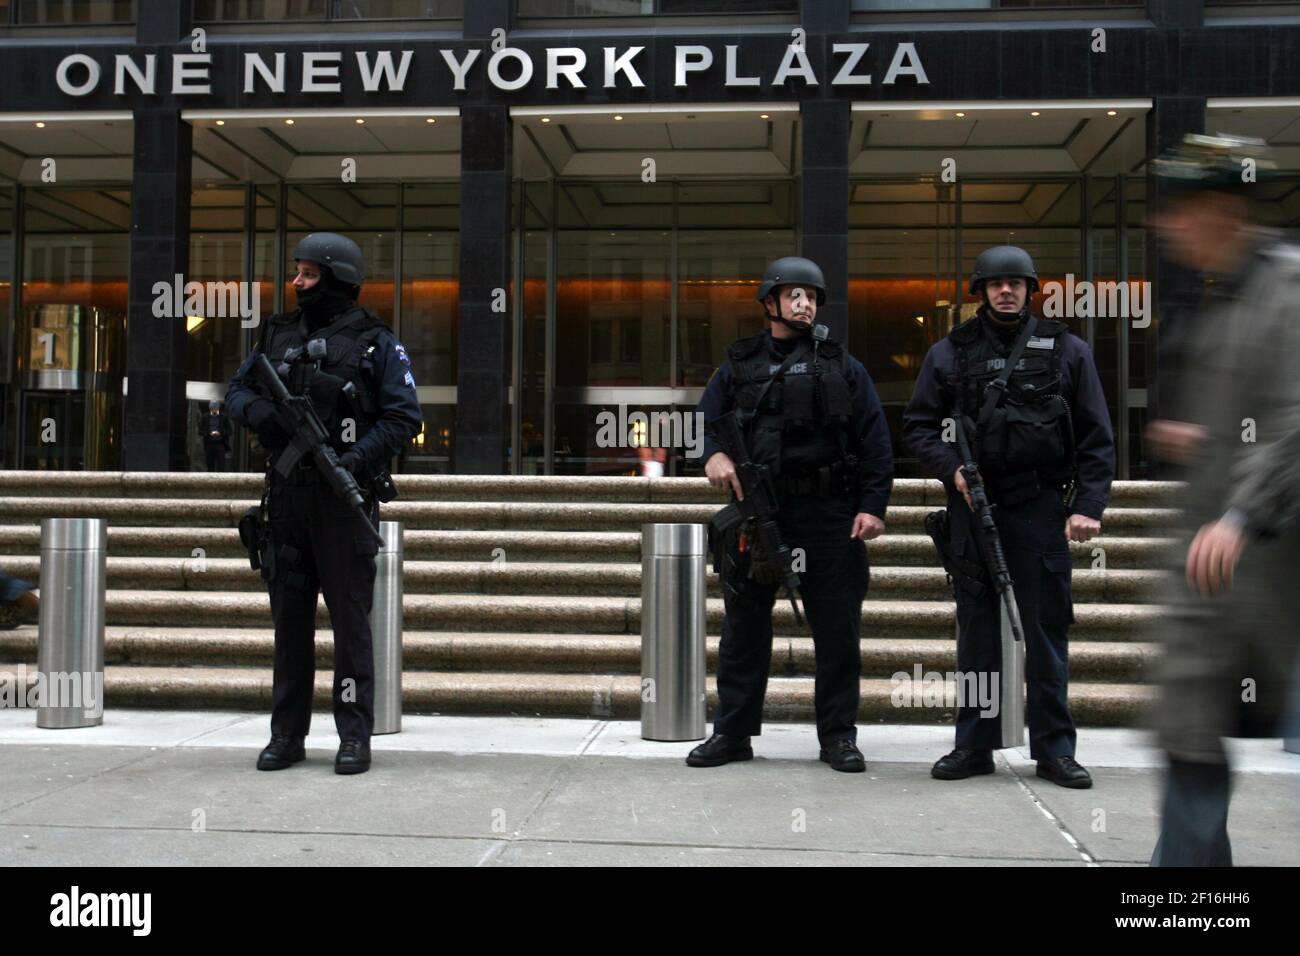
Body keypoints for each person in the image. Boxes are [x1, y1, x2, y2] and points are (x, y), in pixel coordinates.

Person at [901, 244, 1115, 789]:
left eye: (1016, 283)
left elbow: (1096, 434)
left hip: (1041, 506)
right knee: (976, 633)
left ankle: (1054, 751)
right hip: (975, 506)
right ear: (980, 291)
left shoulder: (1067, 349)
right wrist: (953, 472)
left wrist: (1088, 505)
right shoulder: (949, 352)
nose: (1006, 291)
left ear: (1029, 289)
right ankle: (974, 745)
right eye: (996, 284)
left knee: (1045, 632)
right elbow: (919, 427)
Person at [1143, 133, 1300, 865]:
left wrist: (1243, 514)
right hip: (1218, 600)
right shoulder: (1232, 297)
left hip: (1267, 581)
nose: (1166, 227)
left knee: (1198, 751)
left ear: (1219, 209)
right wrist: (1203, 442)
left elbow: (1294, 422)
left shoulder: (1285, 292)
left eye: (1178, 210)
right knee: (1193, 749)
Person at [225, 232, 423, 776]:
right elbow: (237, 392)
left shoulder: (376, 342)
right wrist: (259, 414)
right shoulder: (278, 334)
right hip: (288, 500)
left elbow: (404, 417)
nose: (298, 282)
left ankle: (353, 736)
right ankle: (286, 734)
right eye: (297, 273)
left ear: (336, 279)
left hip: (342, 502)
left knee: (350, 626)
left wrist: (355, 460)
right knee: (289, 623)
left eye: (309, 275)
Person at [687, 256, 894, 773]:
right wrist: (712, 454)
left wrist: (873, 506)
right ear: (770, 303)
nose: (805, 303)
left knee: (837, 630)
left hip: (829, 513)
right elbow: (702, 424)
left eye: (813, 296)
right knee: (744, 629)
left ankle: (838, 737)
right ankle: (733, 733)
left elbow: (876, 440)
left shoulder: (844, 366)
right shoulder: (737, 363)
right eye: (794, 294)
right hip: (759, 512)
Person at [201, 399, 231, 472]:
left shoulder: (223, 417)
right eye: (212, 408)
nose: (214, 409)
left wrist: (220, 433)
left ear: (218, 408)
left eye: (215, 408)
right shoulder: (205, 417)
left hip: (220, 444)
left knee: (221, 466)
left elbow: (230, 431)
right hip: (209, 444)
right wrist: (208, 433)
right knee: (210, 465)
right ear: (210, 408)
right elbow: (200, 431)